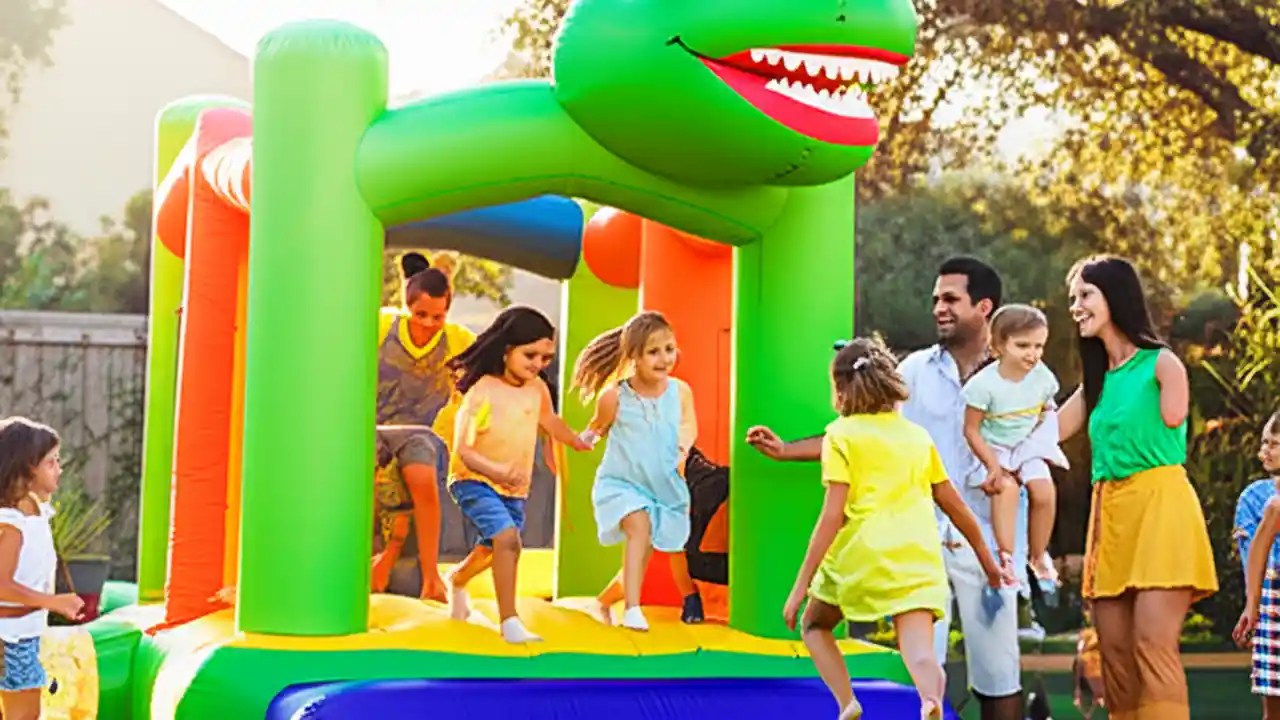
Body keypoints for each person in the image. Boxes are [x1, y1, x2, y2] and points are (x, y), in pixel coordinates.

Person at [747, 256, 1029, 719]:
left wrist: (1000, 543)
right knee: (923, 657)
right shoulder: (915, 373)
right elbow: (863, 427)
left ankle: (857, 703)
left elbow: (852, 441)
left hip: (979, 529)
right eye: (935, 298)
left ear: (983, 307)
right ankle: (930, 703)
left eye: (950, 299)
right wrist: (785, 451)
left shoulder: (1018, 375)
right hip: (924, 544)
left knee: (1000, 674)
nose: (938, 307)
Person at [784, 338, 1009, 720]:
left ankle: (847, 702)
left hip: (862, 557)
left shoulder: (841, 435)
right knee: (920, 652)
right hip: (918, 560)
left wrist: (800, 587)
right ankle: (930, 700)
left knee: (814, 625)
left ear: (840, 388)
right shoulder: (917, 437)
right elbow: (958, 510)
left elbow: (832, 515)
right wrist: (990, 566)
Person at [1057, 254, 1216, 719]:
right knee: (1115, 655)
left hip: (1160, 508)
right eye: (1073, 298)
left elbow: (1173, 417)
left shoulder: (1161, 364)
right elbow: (1046, 433)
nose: (1076, 306)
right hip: (1110, 517)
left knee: (1152, 643)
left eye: (1086, 295)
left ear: (1116, 297)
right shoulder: (1097, 384)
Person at [442, 306, 590, 643]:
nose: (539, 364)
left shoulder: (536, 388)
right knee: (508, 541)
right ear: (506, 349)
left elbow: (549, 421)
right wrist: (497, 470)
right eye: (530, 354)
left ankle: (457, 580)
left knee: (493, 548)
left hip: (514, 488)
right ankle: (509, 623)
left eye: (546, 357)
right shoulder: (483, 392)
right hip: (473, 480)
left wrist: (575, 440)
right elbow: (464, 451)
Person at [571, 311, 703, 630]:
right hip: (621, 483)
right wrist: (581, 439)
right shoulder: (615, 396)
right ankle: (632, 608)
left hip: (664, 486)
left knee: (647, 553)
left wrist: (681, 450)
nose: (664, 359)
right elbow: (597, 429)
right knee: (639, 525)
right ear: (634, 356)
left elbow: (688, 425)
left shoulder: (680, 391)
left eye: (669, 349)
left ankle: (603, 602)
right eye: (653, 352)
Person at [376, 251, 476, 602]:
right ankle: (376, 559)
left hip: (420, 432)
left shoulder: (458, 340)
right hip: (372, 428)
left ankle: (431, 575)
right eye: (420, 314)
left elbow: (484, 375)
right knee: (373, 484)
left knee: (422, 481)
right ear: (406, 307)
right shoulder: (383, 327)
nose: (429, 323)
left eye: (438, 316)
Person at [961, 303, 1067, 588]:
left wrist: (1040, 441)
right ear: (998, 345)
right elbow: (971, 430)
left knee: (1043, 491)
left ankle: (1038, 554)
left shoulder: (1042, 377)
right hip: (992, 445)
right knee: (1005, 489)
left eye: (1038, 346)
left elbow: (1046, 408)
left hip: (1025, 443)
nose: (1032, 354)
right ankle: (1006, 558)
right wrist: (993, 466)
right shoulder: (983, 385)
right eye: (1022, 345)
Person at [0, 417, 85, 720]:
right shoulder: (12, 524)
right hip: (9, 637)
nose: (59, 469)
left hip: (22, 633)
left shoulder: (35, 513)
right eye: (51, 462)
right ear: (27, 468)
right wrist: (54, 602)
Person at [1232, 410, 1280, 716]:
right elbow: (1254, 551)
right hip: (1273, 601)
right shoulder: (1259, 499)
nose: (1265, 451)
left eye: (1274, 444)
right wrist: (1253, 606)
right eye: (1265, 442)